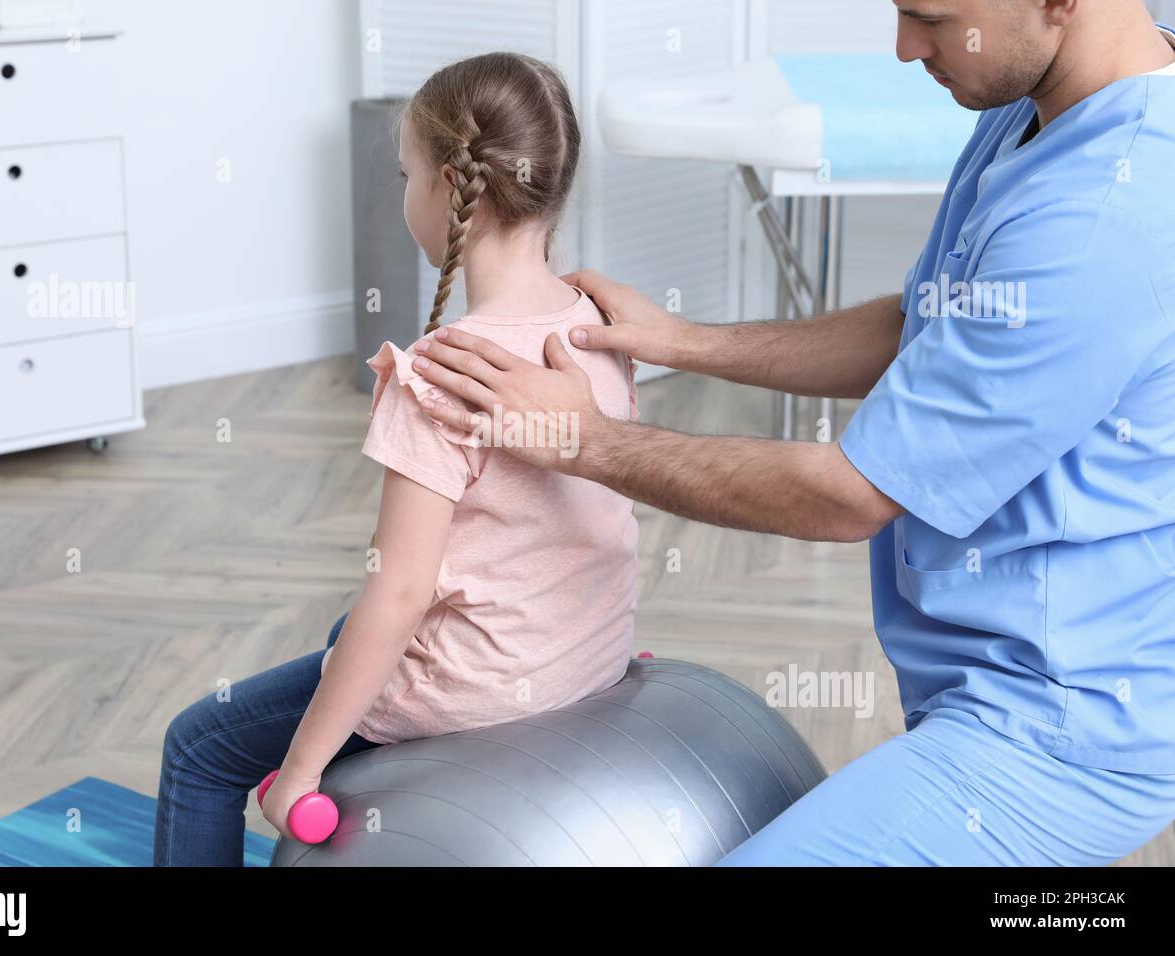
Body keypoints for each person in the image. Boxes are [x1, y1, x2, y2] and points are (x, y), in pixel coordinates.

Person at [413, 0, 1175, 864]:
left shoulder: (1104, 216)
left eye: (932, 17)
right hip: (979, 682)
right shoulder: (1031, 107)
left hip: (1055, 733)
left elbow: (849, 495)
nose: (903, 49)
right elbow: (925, 330)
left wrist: (585, 441)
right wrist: (682, 342)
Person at [153, 52, 639, 866]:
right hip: (579, 657)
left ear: (452, 185)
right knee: (346, 631)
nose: (405, 192)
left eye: (407, 173)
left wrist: (298, 774)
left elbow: (403, 589)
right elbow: (598, 519)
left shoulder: (443, 373)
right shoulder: (600, 324)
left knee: (198, 747)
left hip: (474, 689)